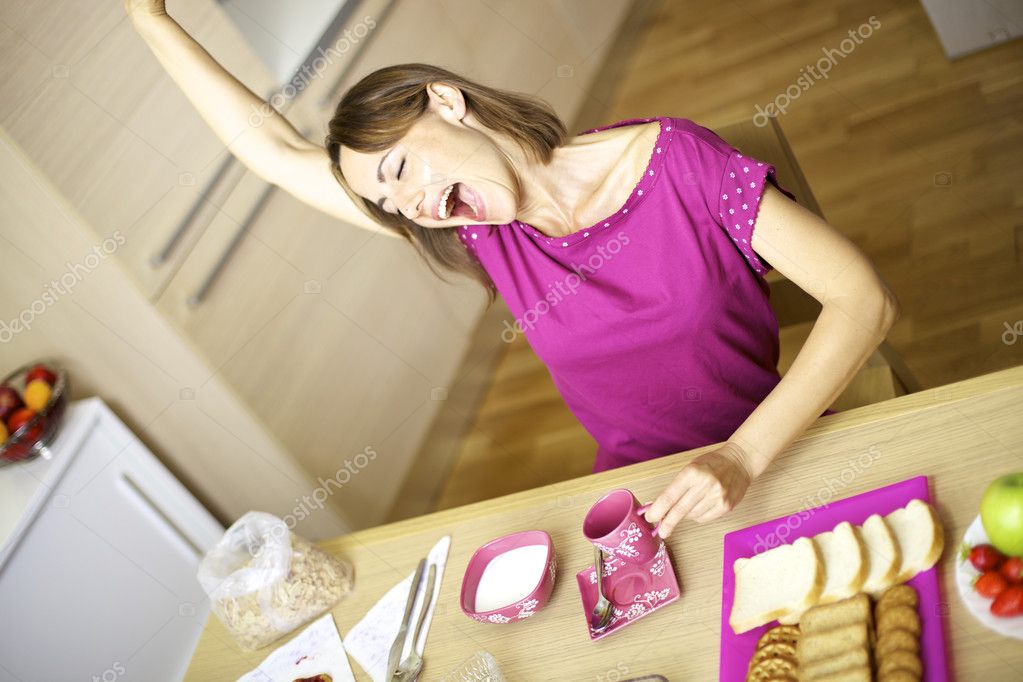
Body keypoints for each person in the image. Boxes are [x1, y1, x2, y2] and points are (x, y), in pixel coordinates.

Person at [126, 1, 900, 539]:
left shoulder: (678, 161)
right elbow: (269, 152)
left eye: (398, 166)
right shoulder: (481, 235)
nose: (414, 207)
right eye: (388, 203)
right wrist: (147, 16)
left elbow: (861, 299)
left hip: (773, 447)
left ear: (447, 103)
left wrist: (740, 456)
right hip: (640, 496)